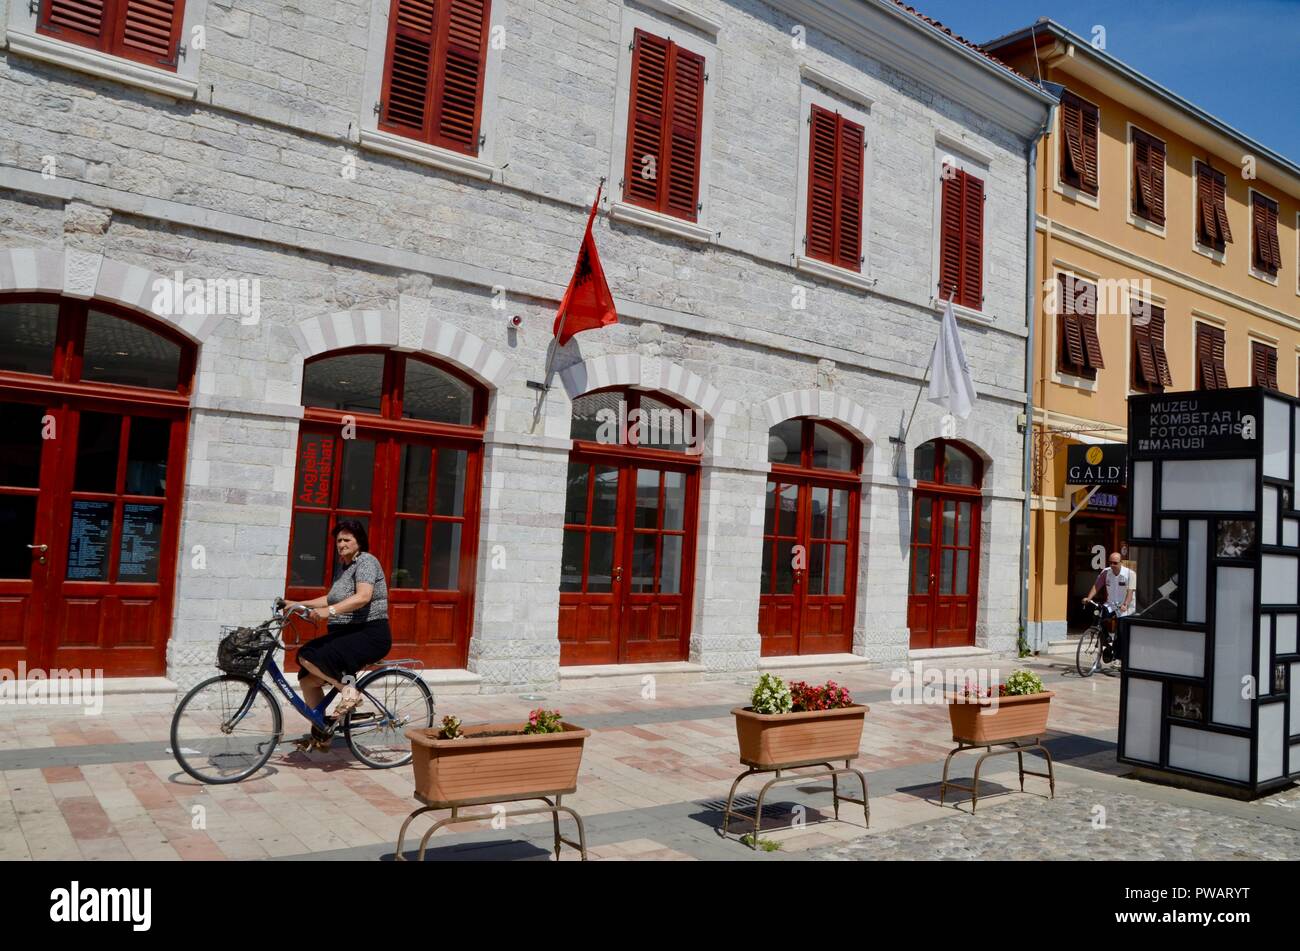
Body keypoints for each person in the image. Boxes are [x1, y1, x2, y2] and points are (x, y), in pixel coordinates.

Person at [283, 520, 391, 735]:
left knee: (308, 654)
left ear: (358, 542)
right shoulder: (344, 568)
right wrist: (296, 605)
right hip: (346, 635)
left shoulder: (366, 562)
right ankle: (323, 731)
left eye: (346, 539)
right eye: (338, 540)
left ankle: (349, 692)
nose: (341, 544)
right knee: (307, 680)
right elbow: (330, 598)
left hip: (368, 633)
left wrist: (330, 612)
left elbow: (363, 597)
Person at [1083, 552, 1135, 662]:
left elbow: (1130, 593)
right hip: (1111, 604)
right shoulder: (1105, 572)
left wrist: (1125, 604)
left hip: (1125, 606)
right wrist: (1088, 598)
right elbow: (1097, 586)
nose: (1112, 565)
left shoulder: (1130, 574)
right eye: (1110, 562)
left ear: (1121, 562)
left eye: (1115, 563)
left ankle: (1119, 657)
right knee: (1098, 616)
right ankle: (1106, 640)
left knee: (1121, 632)